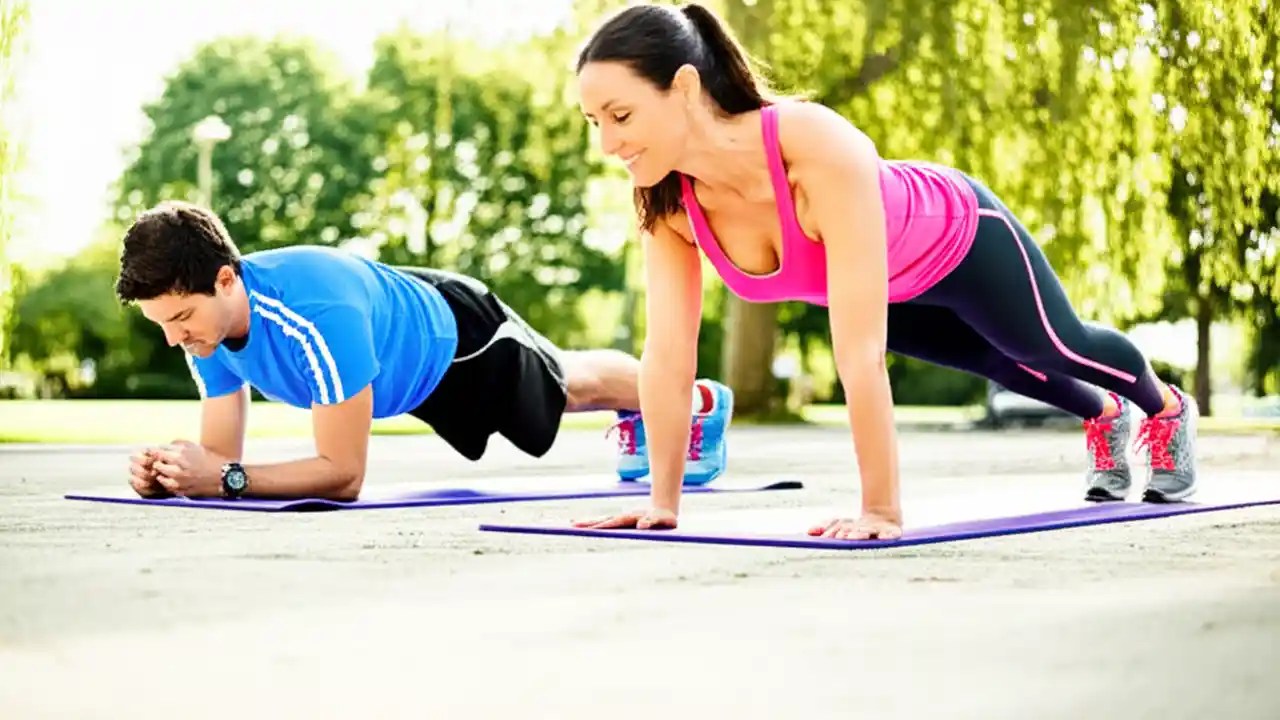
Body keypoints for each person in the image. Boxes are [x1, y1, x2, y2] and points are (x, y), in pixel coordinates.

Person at [570, 2, 1198, 540]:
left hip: (961, 236)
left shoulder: (810, 143)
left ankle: (1164, 409)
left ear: (682, 88)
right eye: (594, 122)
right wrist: (663, 505)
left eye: (620, 116)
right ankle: (1104, 416)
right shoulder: (668, 202)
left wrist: (880, 510)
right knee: (999, 362)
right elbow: (669, 358)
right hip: (896, 286)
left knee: (1051, 345)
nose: (606, 144)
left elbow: (860, 354)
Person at [114, 201, 734, 501]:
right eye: (161, 324)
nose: (175, 338)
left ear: (227, 279)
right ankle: (664, 407)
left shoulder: (314, 317)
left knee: (572, 387)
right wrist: (176, 473)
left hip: (456, 338)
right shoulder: (206, 327)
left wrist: (224, 478)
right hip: (402, 364)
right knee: (569, 385)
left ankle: (696, 399)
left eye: (181, 318)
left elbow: (344, 475)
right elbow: (220, 458)